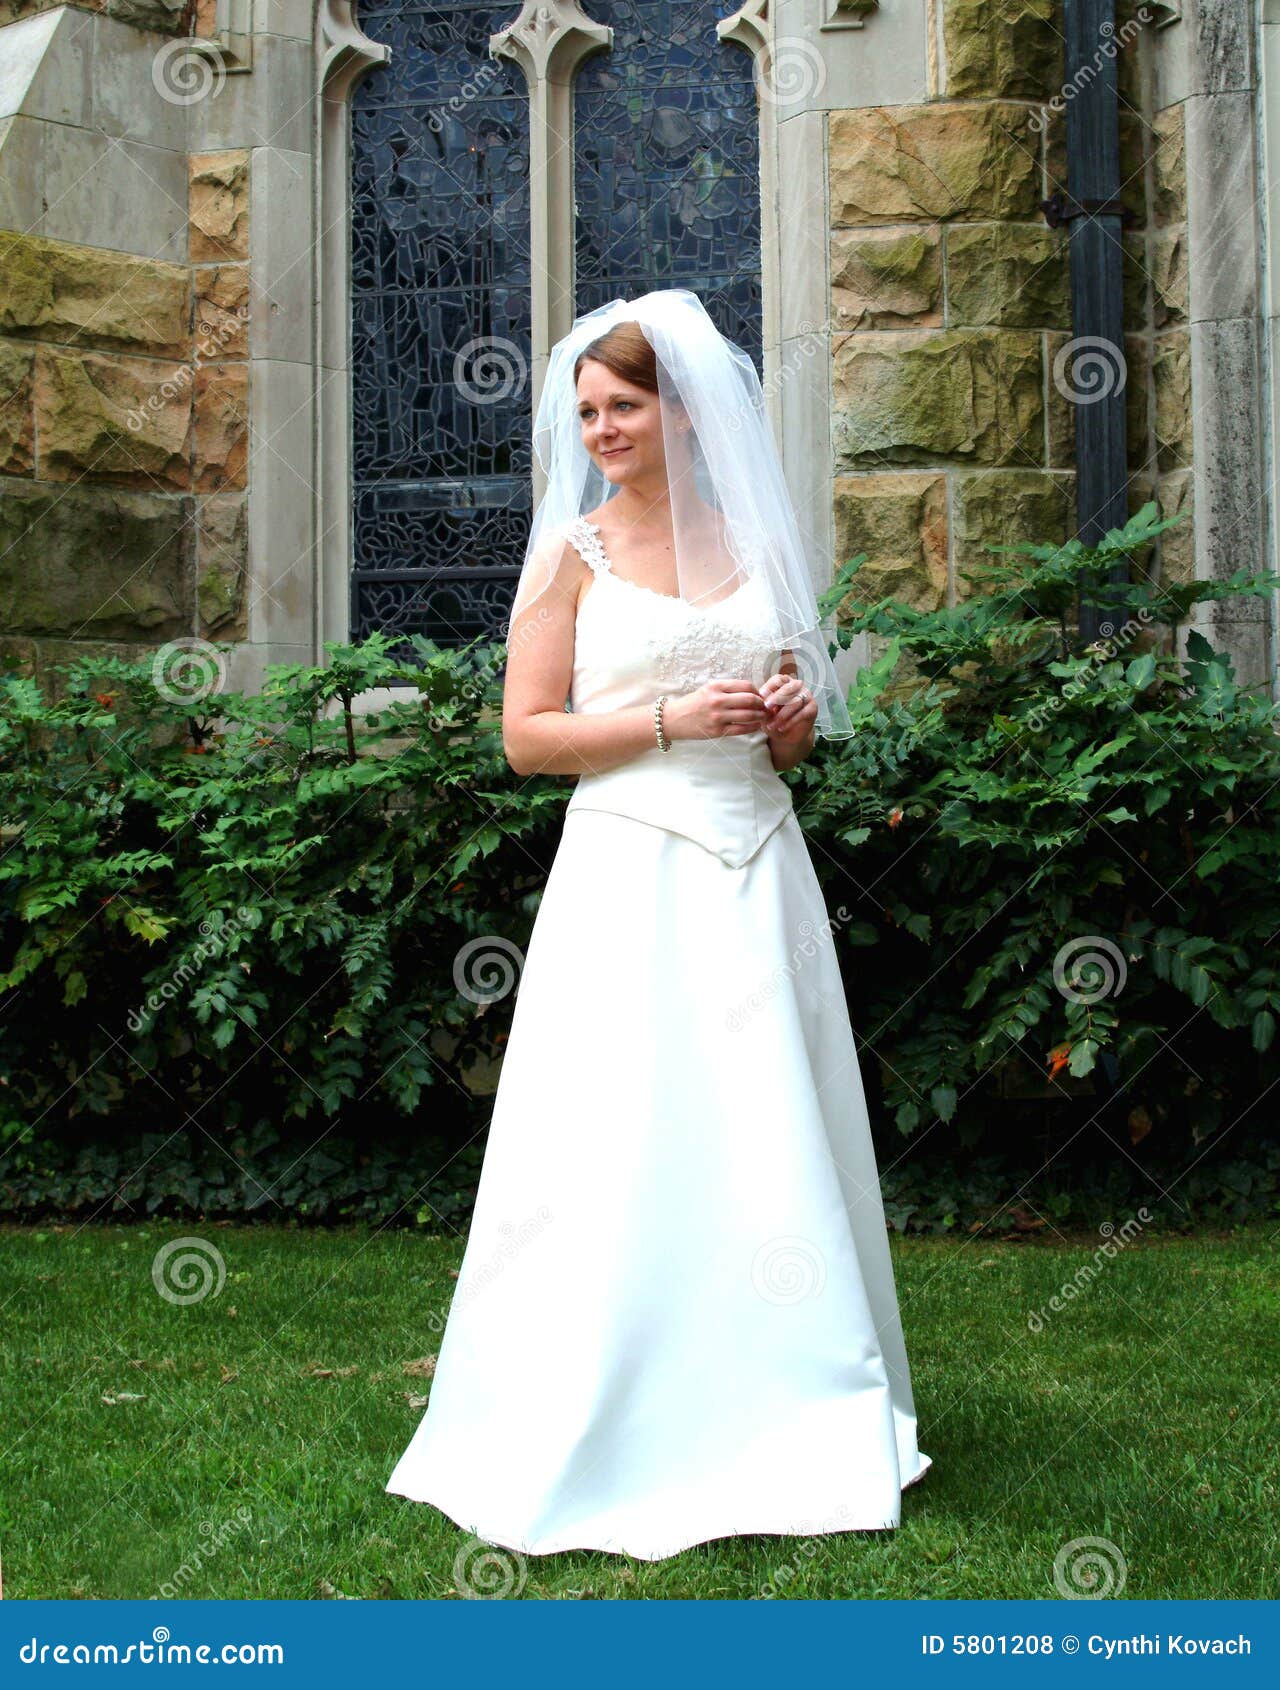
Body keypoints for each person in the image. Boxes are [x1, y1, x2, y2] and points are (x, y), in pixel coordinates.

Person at [385, 289, 931, 1561]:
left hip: (757, 868)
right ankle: (603, 1410)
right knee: (624, 1126)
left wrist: (787, 719)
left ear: (683, 409)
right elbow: (526, 738)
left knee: (766, 1124)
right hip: (628, 872)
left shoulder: (755, 541)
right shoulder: (568, 556)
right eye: (586, 412)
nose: (602, 430)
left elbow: (790, 743)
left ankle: (791, 1400)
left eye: (623, 405)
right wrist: (669, 722)